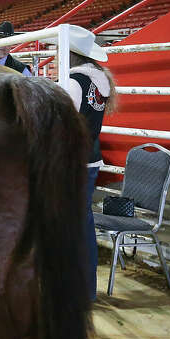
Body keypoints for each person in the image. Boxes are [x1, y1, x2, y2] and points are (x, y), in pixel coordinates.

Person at [59, 28, 117, 298]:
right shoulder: (101, 82)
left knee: (72, 224)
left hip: (71, 162)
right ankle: (86, 288)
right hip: (90, 159)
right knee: (83, 222)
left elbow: (63, 126)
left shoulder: (73, 82)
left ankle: (75, 288)